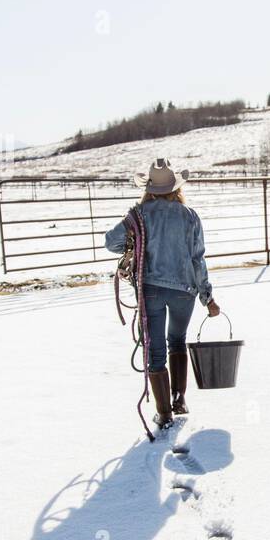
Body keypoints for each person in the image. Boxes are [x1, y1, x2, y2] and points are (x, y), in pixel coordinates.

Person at [105, 158, 219, 428]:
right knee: (177, 340)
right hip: (185, 291)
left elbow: (111, 242)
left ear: (149, 188)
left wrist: (132, 244)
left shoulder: (139, 214)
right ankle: (179, 399)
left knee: (155, 350)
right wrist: (207, 298)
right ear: (175, 187)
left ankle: (164, 413)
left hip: (152, 289)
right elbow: (197, 259)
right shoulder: (189, 215)